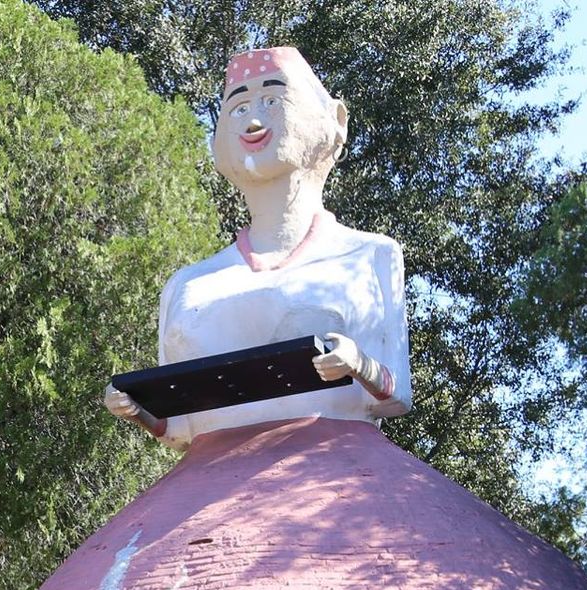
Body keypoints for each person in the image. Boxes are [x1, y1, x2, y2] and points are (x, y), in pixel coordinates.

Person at [105, 47, 411, 446]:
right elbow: (180, 432)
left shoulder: (371, 256)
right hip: (207, 485)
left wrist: (360, 364)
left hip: (333, 473)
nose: (252, 121)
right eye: (237, 107)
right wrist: (137, 409)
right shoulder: (186, 284)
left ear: (334, 121)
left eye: (272, 101)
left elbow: (398, 395)